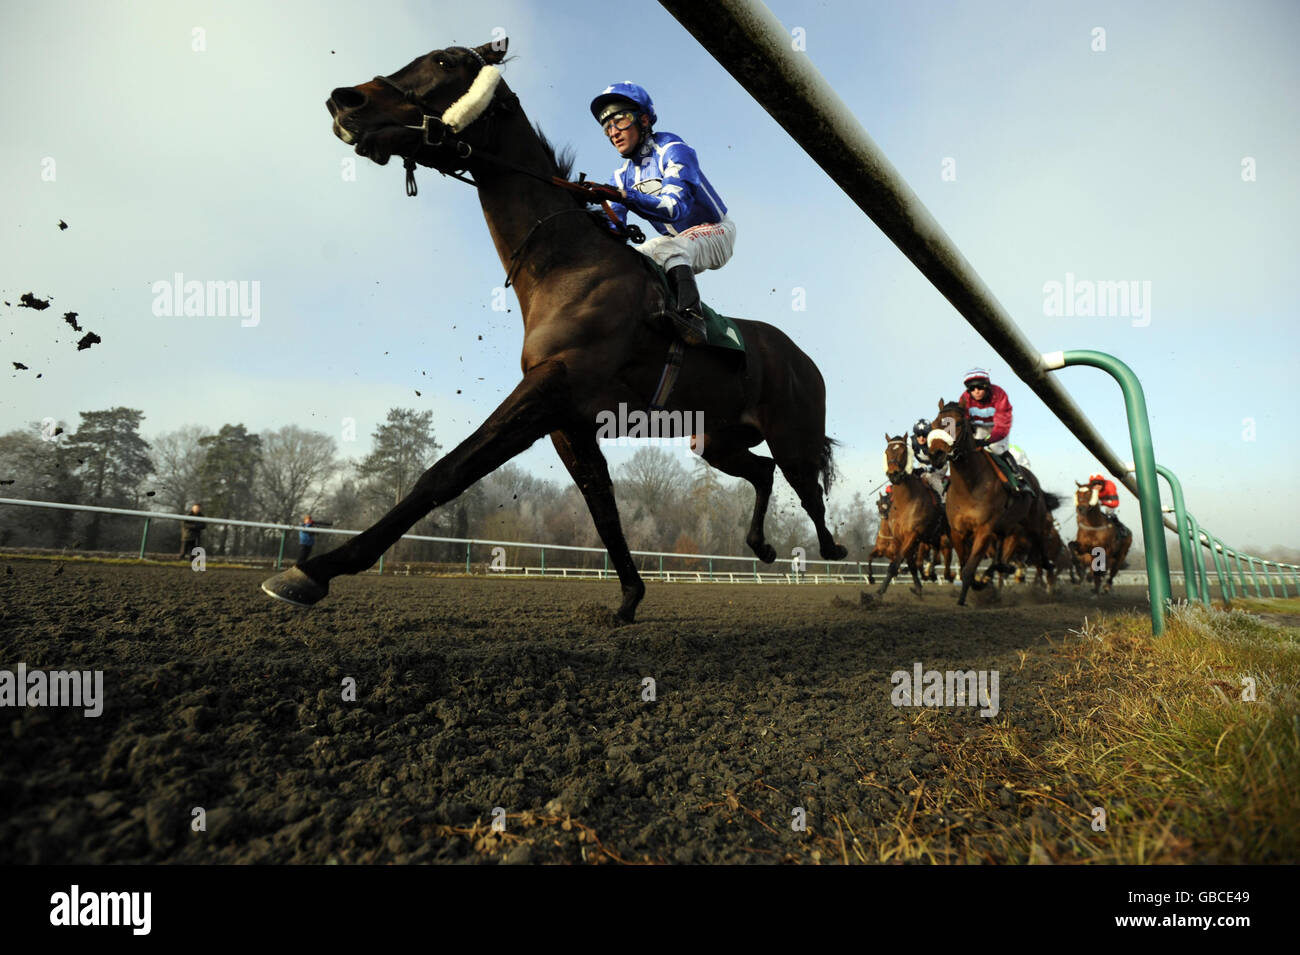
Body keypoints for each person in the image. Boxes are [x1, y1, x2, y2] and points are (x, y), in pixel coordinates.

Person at [590, 82, 735, 346]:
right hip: (676, 241)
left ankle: (693, 319)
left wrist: (623, 196)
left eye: (620, 120)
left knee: (670, 251)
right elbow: (614, 233)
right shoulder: (622, 176)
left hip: (716, 231)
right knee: (630, 261)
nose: (613, 133)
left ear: (644, 119)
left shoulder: (673, 149)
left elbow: (674, 209)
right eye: (607, 126)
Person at [958, 368, 1027, 492]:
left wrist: (988, 440)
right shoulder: (964, 398)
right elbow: (962, 419)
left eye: (980, 387)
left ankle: (1018, 476)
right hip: (978, 426)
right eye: (972, 389)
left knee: (996, 448)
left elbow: (1002, 425)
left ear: (987, 386)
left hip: (997, 427)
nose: (976, 392)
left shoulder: (999, 394)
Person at [910, 418, 948, 501]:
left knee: (931, 478)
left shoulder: (935, 441)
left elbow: (939, 463)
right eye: (918, 435)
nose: (921, 438)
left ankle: (944, 501)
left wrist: (924, 469)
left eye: (924, 435)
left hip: (940, 466)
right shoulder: (911, 442)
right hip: (923, 465)